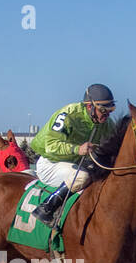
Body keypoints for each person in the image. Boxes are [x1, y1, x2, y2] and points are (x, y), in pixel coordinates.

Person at [29, 83, 116, 222]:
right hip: (50, 163)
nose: (107, 114)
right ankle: (46, 208)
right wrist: (77, 149)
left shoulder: (106, 124)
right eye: (103, 110)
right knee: (82, 176)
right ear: (89, 106)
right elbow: (50, 145)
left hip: (73, 165)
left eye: (110, 110)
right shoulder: (68, 115)